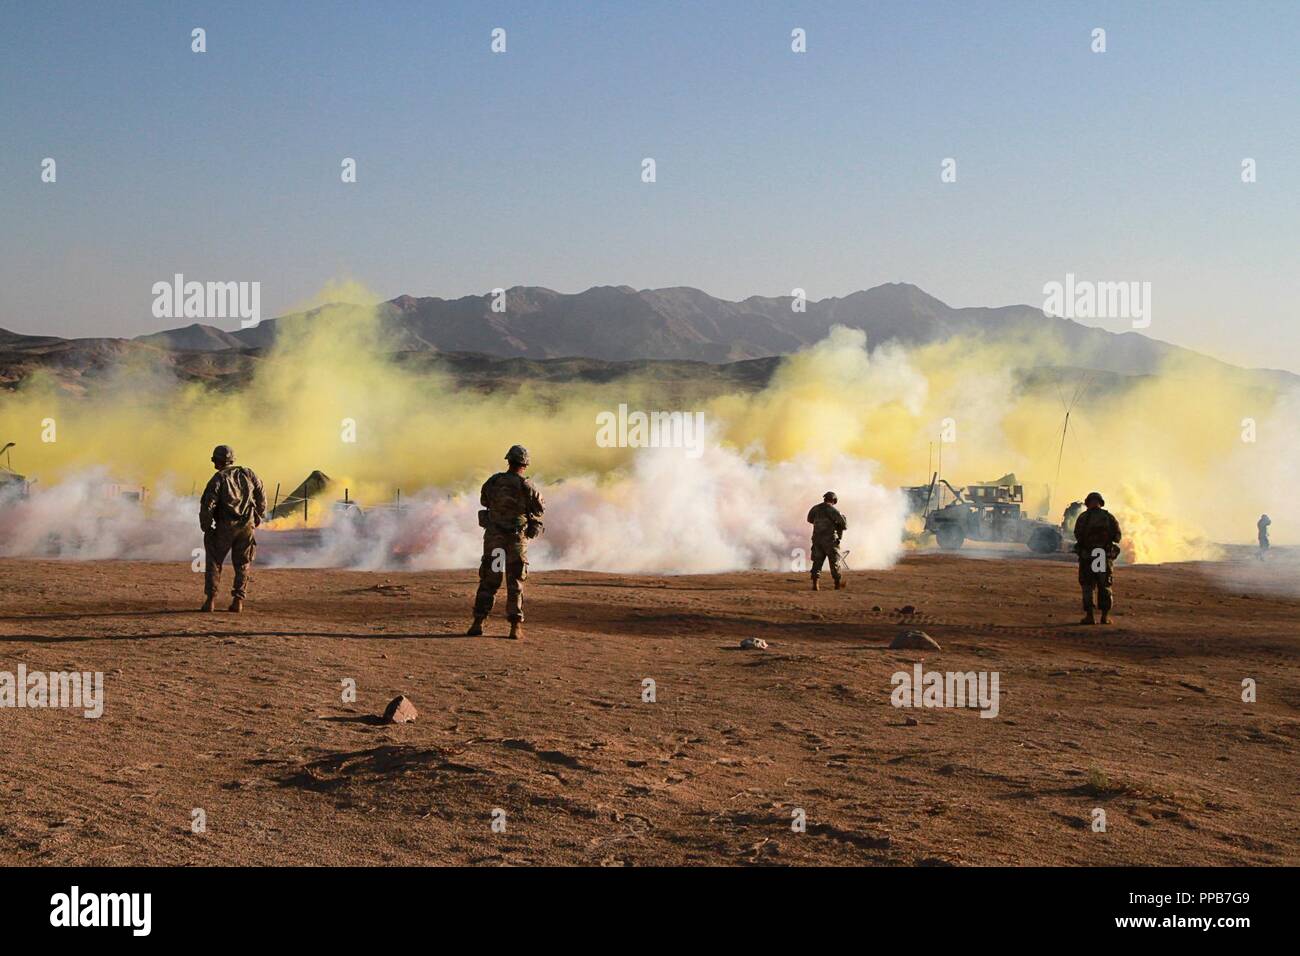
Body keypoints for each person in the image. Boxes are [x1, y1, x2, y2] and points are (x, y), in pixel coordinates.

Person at [468, 445, 544, 639]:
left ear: (508, 461)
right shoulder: (527, 486)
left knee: (490, 579)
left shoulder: (494, 481)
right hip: (515, 540)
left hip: (495, 538)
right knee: (515, 581)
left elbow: (484, 501)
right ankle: (514, 627)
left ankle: (478, 622)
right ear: (525, 464)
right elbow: (539, 508)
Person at [199, 444, 266, 613]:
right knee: (243, 563)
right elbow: (261, 494)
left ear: (217, 461)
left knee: (214, 561)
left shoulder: (217, 479)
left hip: (225, 526)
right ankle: (238, 601)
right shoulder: (248, 474)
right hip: (247, 526)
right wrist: (259, 515)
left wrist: (206, 527)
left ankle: (210, 600)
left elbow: (208, 505)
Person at [1073, 491, 1121, 625]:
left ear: (1088, 503)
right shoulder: (1109, 517)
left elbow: (1078, 535)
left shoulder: (1083, 517)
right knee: (1104, 585)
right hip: (1101, 556)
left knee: (1088, 585)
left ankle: (1090, 616)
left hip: (1088, 556)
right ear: (1101, 502)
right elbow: (1117, 537)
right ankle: (1104, 617)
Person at [807, 491, 847, 591]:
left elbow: (809, 519)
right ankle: (837, 584)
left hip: (817, 539)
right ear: (834, 500)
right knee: (834, 562)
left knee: (817, 562)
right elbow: (844, 525)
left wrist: (819, 523)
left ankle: (815, 584)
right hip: (830, 540)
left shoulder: (815, 508)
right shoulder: (833, 510)